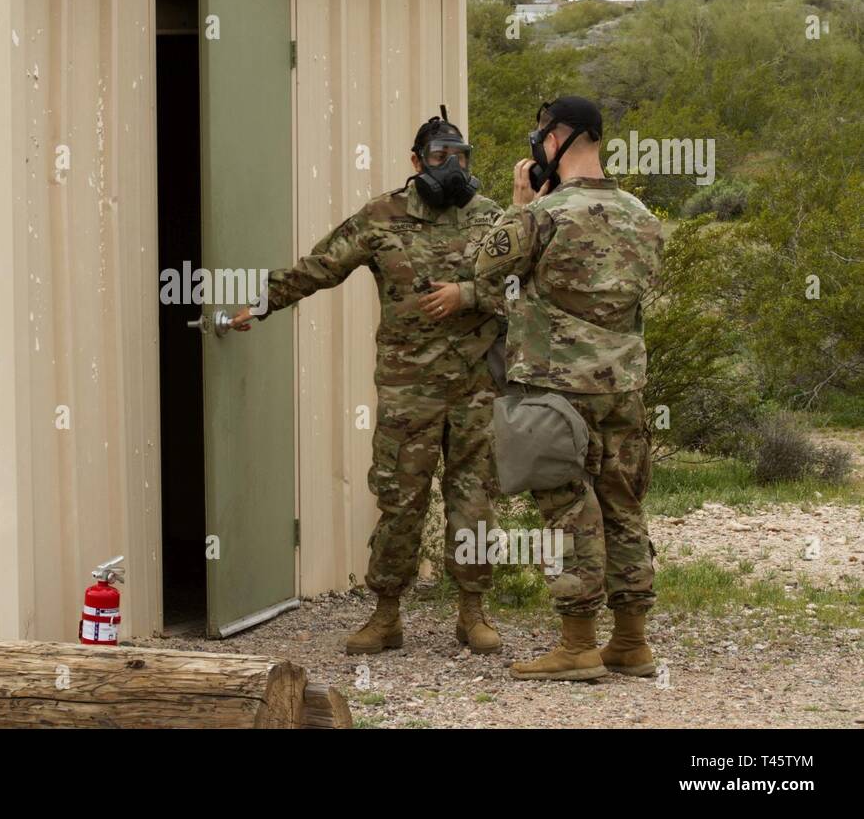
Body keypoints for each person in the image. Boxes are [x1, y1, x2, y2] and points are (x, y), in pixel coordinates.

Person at [229, 109, 505, 655]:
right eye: (438, 157)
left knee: (474, 501)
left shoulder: (491, 219)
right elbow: (320, 267)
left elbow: (523, 289)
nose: (452, 167)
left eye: (461, 157)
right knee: (401, 500)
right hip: (408, 391)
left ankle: (473, 613)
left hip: (476, 389)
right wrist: (259, 304)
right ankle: (386, 615)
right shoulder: (381, 217)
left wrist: (467, 295)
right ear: (416, 162)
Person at [472, 95, 664, 681]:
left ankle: (577, 644)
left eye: (540, 135)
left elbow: (485, 270)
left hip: (555, 388)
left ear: (554, 140)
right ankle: (631, 642)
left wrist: (520, 203)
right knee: (623, 503)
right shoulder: (642, 214)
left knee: (564, 509)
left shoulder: (544, 214)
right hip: (624, 385)